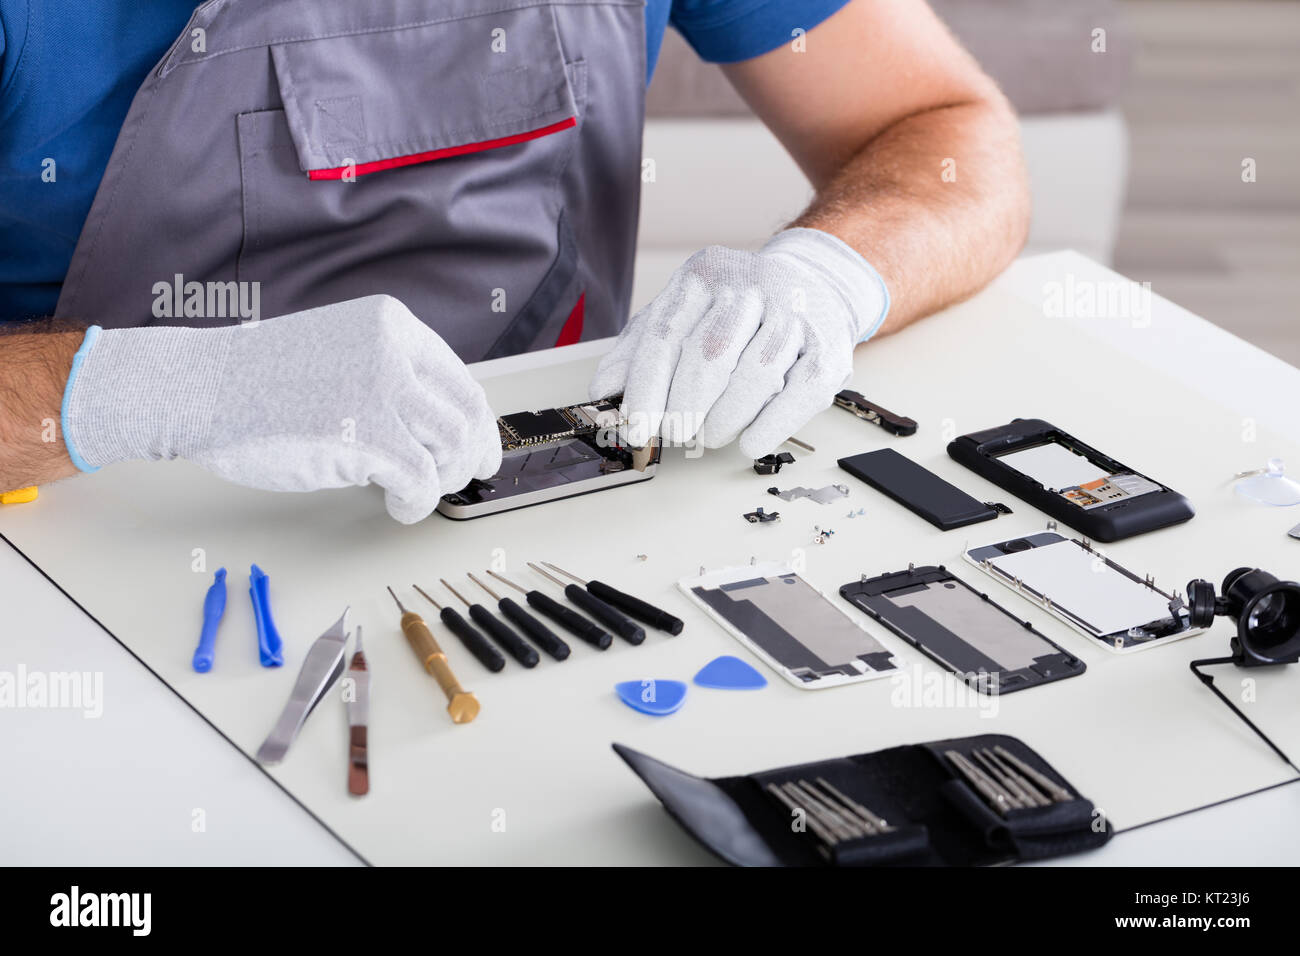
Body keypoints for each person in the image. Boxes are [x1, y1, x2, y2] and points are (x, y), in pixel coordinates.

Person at [0, 0, 1028, 522]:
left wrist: (824, 276)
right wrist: (156, 394)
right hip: (92, 543)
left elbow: (946, 131)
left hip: (563, 511)